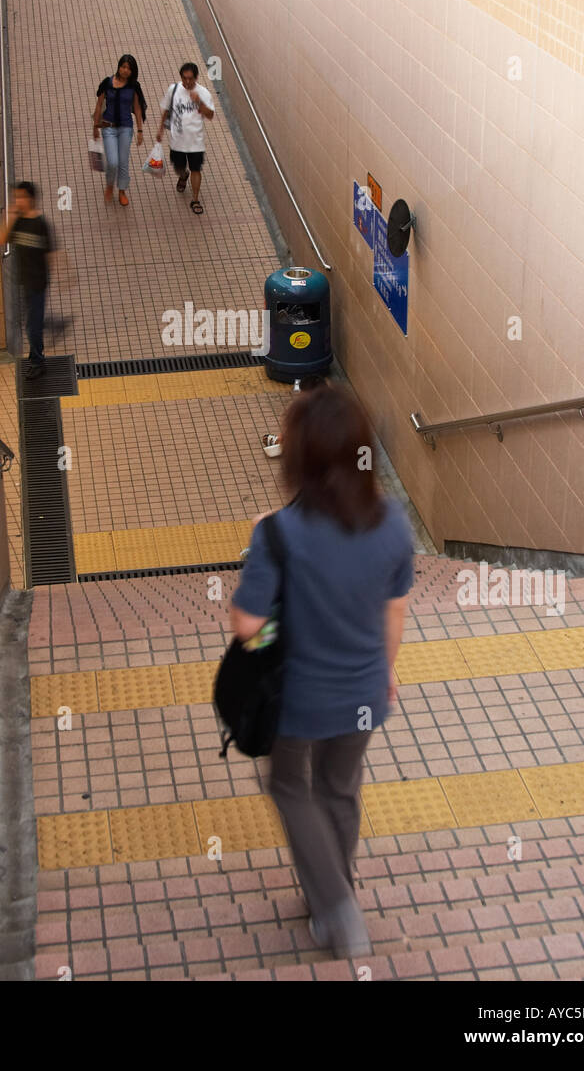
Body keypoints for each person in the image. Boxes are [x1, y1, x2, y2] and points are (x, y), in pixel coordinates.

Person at [231, 384, 413, 959]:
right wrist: (385, 672)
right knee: (339, 788)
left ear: (299, 461)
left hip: (298, 701)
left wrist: (269, 631)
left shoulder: (276, 535)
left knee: (289, 786)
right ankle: (336, 897)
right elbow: (395, 608)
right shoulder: (392, 525)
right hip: (362, 695)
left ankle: (337, 907)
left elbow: (247, 625)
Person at [0, 181, 56, 380]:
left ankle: (38, 363)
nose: (18, 201)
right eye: (16, 198)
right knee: (30, 323)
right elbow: (0, 240)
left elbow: (50, 253)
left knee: (31, 327)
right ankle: (48, 329)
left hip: (37, 284)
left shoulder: (41, 224)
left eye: (21, 197)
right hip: (23, 282)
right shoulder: (18, 221)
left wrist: (58, 275)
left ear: (31, 199)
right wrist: (10, 218)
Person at [155, 62, 215, 216]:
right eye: (184, 78)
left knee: (196, 169)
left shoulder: (204, 93)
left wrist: (199, 102)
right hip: (177, 141)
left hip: (196, 142)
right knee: (178, 167)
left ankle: (195, 200)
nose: (187, 82)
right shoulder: (173, 89)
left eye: (191, 79)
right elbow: (166, 109)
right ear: (181, 77)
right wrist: (160, 129)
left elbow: (210, 115)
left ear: (196, 77)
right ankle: (183, 175)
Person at [93, 55, 147, 207]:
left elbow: (137, 108)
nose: (125, 71)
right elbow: (99, 105)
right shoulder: (107, 83)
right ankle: (110, 184)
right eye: (123, 67)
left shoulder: (133, 86)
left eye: (129, 68)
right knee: (112, 161)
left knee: (123, 162)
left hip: (125, 128)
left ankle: (122, 190)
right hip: (108, 127)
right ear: (118, 67)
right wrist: (95, 126)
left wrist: (140, 130)